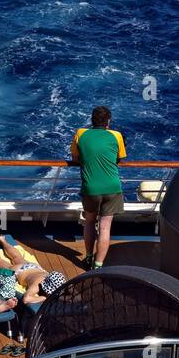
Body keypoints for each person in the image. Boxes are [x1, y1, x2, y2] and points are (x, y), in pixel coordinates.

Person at [71, 106, 125, 269]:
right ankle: (98, 265)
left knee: (89, 222)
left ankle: (88, 257)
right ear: (108, 121)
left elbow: (75, 157)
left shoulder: (80, 134)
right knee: (105, 227)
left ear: (92, 120)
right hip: (112, 187)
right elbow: (118, 159)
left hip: (91, 188)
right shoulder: (116, 135)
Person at [0, 237, 67, 307]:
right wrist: (44, 298)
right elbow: (26, 299)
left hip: (33, 267)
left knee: (16, 257)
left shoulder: (47, 275)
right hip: (18, 271)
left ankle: (3, 241)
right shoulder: (36, 285)